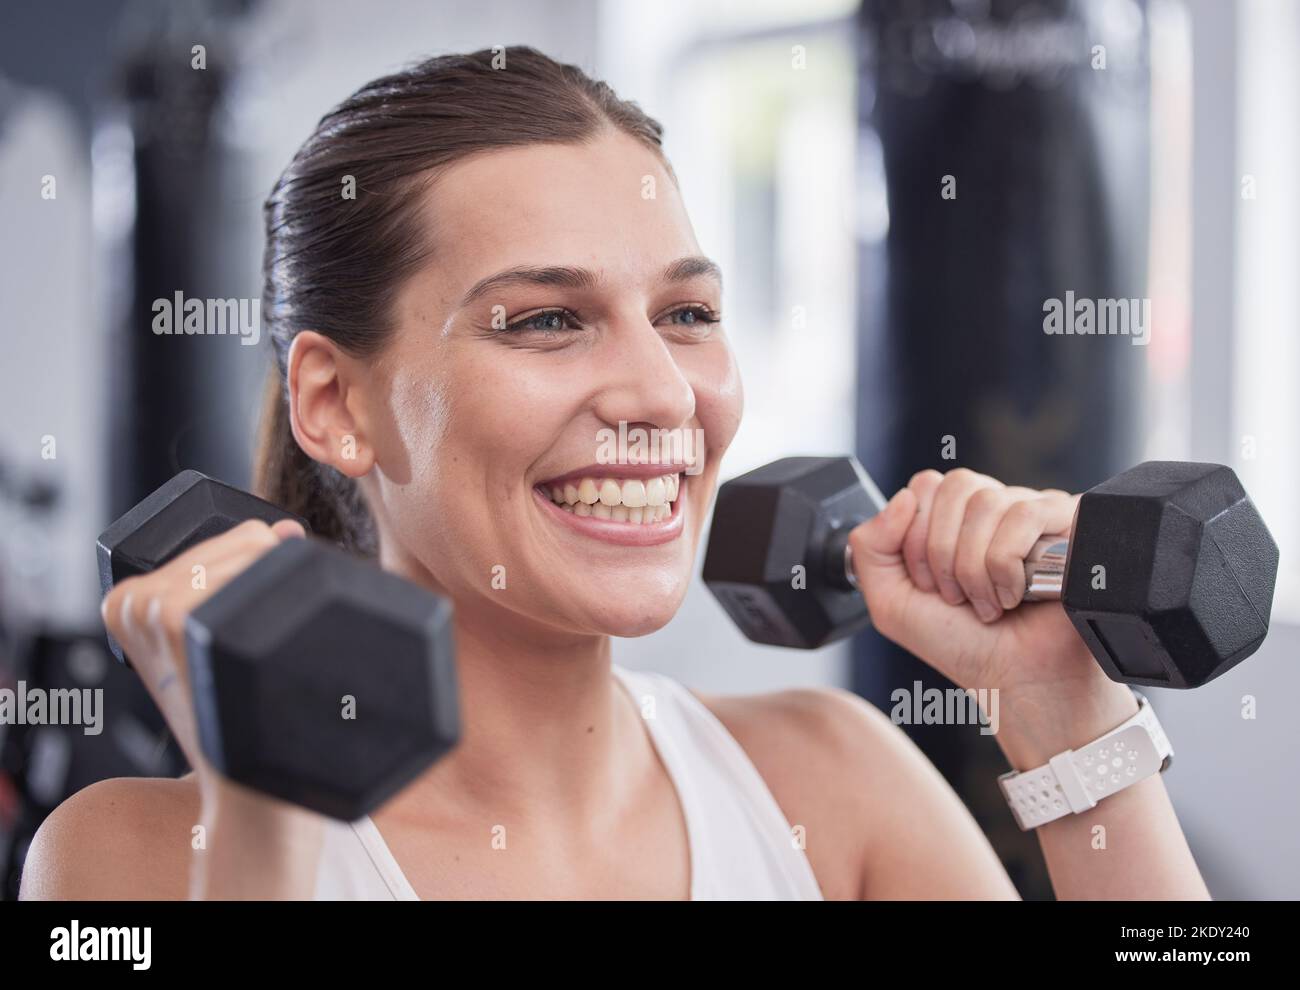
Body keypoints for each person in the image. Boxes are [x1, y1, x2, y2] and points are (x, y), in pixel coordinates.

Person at [20, 47, 1208, 900]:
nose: (659, 393)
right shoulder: (127, 858)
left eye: (686, 311)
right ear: (335, 403)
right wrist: (265, 831)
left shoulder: (835, 783)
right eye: (543, 321)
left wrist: (1066, 724)